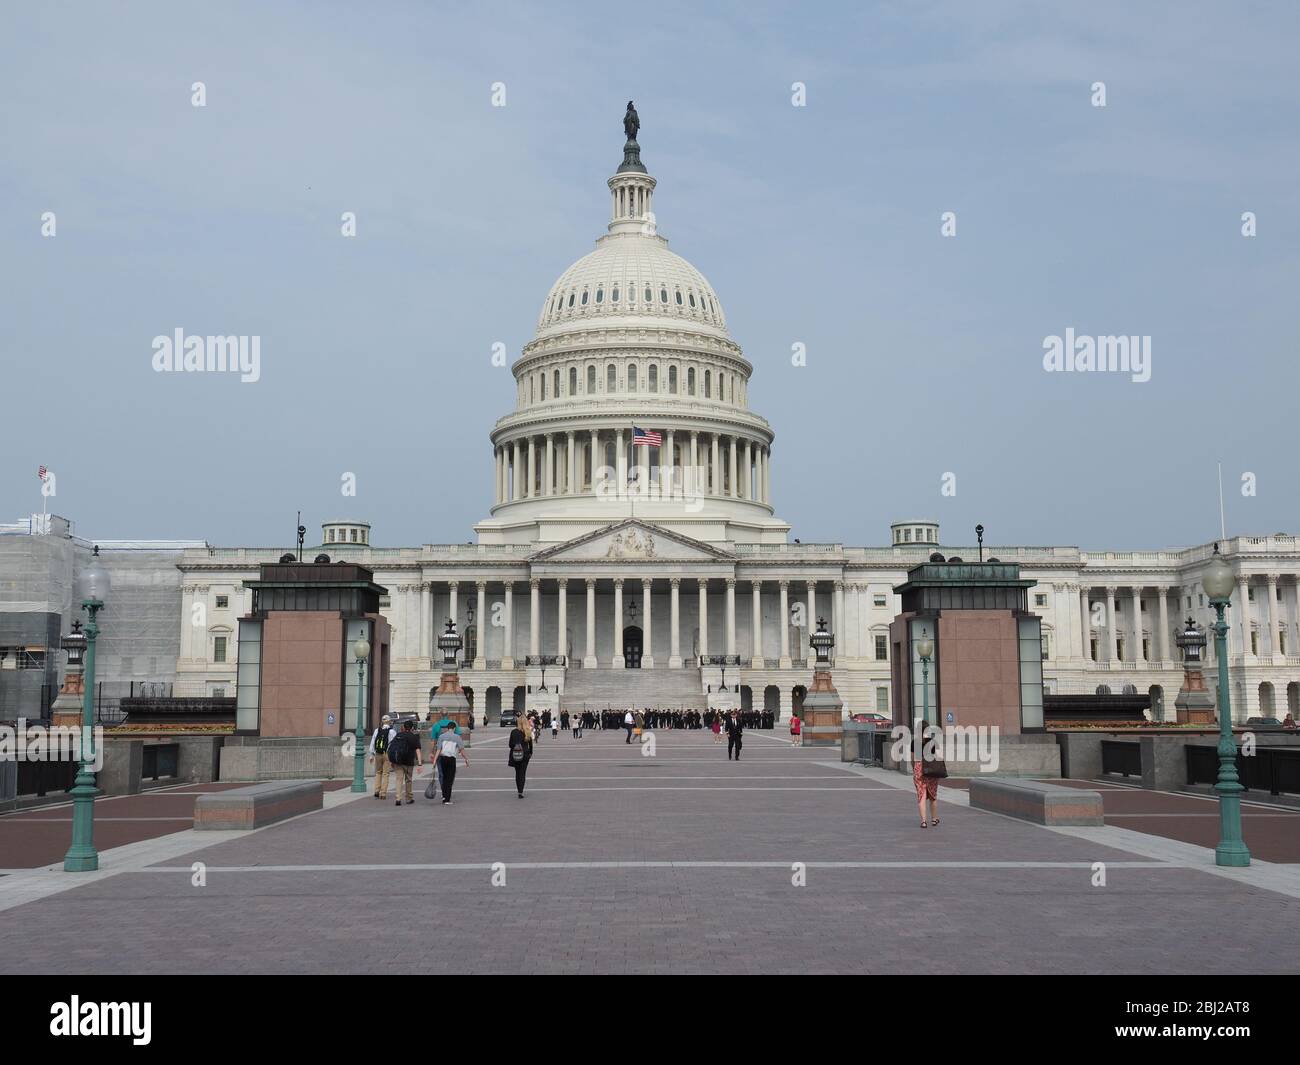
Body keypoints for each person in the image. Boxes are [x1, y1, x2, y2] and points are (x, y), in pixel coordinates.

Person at [914, 723, 944, 828]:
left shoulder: (915, 742)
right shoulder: (932, 741)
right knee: (932, 796)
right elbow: (936, 756)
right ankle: (934, 819)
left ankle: (923, 821)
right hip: (931, 769)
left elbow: (912, 759)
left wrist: (915, 769)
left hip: (919, 769)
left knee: (921, 795)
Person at [387, 719, 423, 806]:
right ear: (412, 728)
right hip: (409, 761)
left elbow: (391, 748)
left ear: (403, 727)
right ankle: (408, 798)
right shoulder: (414, 737)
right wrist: (420, 763)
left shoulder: (398, 735)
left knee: (399, 779)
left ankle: (398, 798)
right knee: (408, 780)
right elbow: (417, 750)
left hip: (398, 761)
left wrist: (391, 760)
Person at [435, 722, 470, 805]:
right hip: (451, 759)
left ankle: (444, 795)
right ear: (454, 728)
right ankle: (447, 799)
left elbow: (438, 749)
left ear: (447, 728)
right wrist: (466, 759)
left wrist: (434, 761)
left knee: (444, 777)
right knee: (449, 779)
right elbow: (462, 749)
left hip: (443, 758)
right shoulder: (457, 737)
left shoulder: (441, 736)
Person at [369, 713, 396, 799]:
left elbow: (373, 742)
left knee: (378, 772)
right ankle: (383, 793)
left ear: (382, 722)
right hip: (387, 754)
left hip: (378, 753)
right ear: (389, 722)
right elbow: (394, 745)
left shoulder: (377, 730)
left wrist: (371, 754)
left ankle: (377, 791)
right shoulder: (392, 731)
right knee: (386, 774)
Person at [508, 718, 532, 797]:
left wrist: (516, 746)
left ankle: (519, 789)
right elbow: (530, 745)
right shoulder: (527, 731)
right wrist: (530, 753)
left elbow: (510, 745)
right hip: (525, 754)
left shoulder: (514, 732)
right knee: (523, 773)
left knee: (517, 772)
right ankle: (520, 791)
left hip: (516, 754)